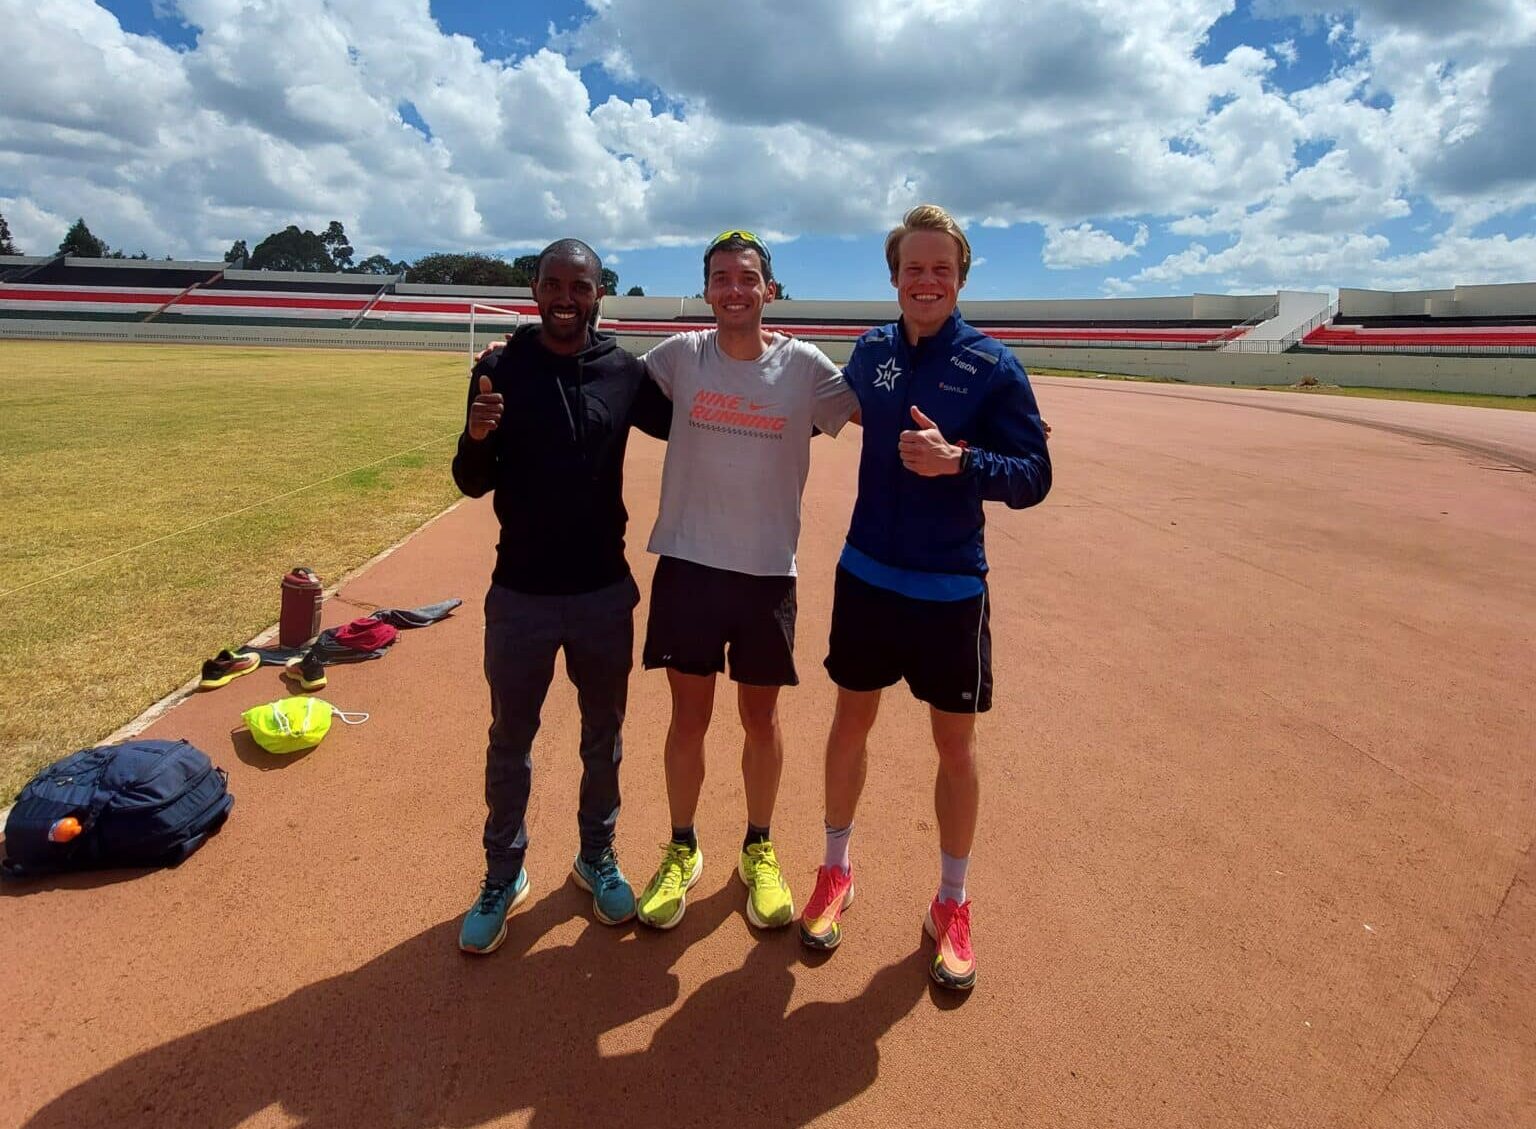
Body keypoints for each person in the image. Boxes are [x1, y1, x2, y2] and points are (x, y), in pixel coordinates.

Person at [798, 205, 1052, 992]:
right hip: (867, 573)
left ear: (961, 277)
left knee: (955, 747)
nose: (927, 280)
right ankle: (836, 870)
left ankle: (952, 902)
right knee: (850, 721)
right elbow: (815, 410)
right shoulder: (870, 349)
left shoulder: (993, 365)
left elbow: (1034, 474)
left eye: (941, 268)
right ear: (895, 276)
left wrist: (961, 461)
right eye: (914, 267)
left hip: (949, 588)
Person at [633, 229, 860, 932]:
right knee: (688, 719)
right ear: (707, 290)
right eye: (722, 277)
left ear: (770, 289)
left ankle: (758, 848)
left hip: (766, 573)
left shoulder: (807, 369)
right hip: (688, 565)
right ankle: (682, 847)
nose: (735, 288)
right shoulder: (680, 357)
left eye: (748, 276)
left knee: (761, 720)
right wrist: (508, 355)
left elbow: (872, 402)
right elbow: (599, 380)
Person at [451, 238, 671, 954]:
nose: (566, 297)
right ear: (536, 288)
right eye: (554, 284)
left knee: (602, 741)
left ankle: (595, 856)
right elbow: (471, 478)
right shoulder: (498, 367)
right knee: (510, 741)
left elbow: (694, 419)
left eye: (580, 285)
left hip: (604, 593)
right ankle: (501, 873)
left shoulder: (624, 372)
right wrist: (478, 437)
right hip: (519, 594)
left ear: (599, 291)